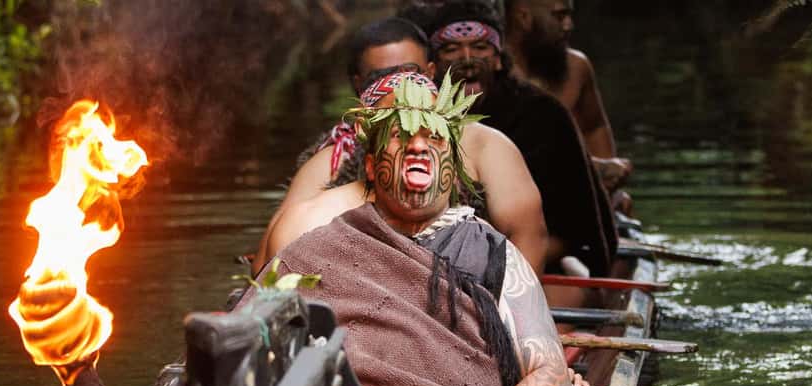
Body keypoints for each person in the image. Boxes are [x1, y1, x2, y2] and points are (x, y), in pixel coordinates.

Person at [253, 72, 573, 386]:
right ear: (371, 167)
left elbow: (553, 379)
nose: (418, 145)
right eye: (400, 137)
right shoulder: (315, 246)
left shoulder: (494, 257)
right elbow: (248, 340)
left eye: (435, 138)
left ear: (454, 171)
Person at [254, 16, 547, 275]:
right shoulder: (334, 160)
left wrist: (504, 311)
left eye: (409, 72)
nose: (398, 87)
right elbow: (268, 265)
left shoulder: (485, 145)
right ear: (359, 87)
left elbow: (528, 238)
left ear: (431, 73)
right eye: (380, 78)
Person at [423, 0, 617, 277]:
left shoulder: (542, 114)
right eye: (451, 49)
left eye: (480, 47)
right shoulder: (416, 120)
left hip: (534, 262)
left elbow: (575, 226)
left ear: (499, 57)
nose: (467, 61)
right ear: (432, 67)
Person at [504, 0, 633, 196]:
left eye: (569, 15)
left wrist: (608, 192)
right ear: (524, 18)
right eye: (559, 16)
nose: (568, 25)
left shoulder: (577, 67)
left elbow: (594, 127)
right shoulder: (494, 75)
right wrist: (593, 168)